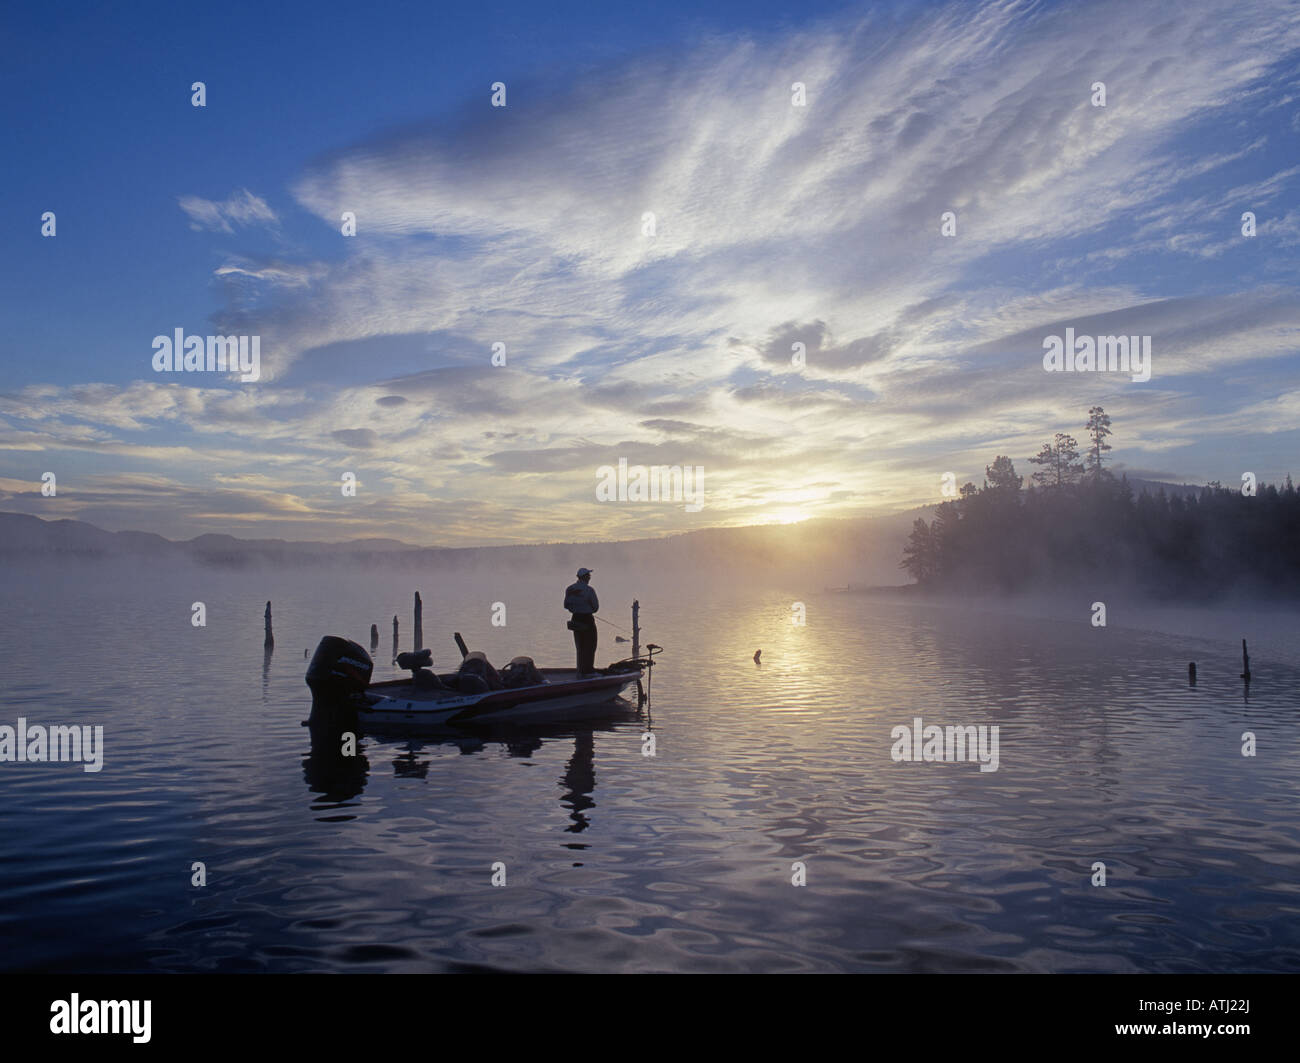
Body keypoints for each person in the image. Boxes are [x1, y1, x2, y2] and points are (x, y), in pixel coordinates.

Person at [564, 567, 600, 676]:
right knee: (590, 645)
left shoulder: (569, 589)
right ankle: (588, 671)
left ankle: (580, 670)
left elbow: (566, 605)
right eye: (588, 575)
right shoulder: (589, 590)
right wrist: (586, 608)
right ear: (585, 577)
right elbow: (595, 607)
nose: (590, 577)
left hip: (575, 618)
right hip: (587, 620)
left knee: (579, 646)